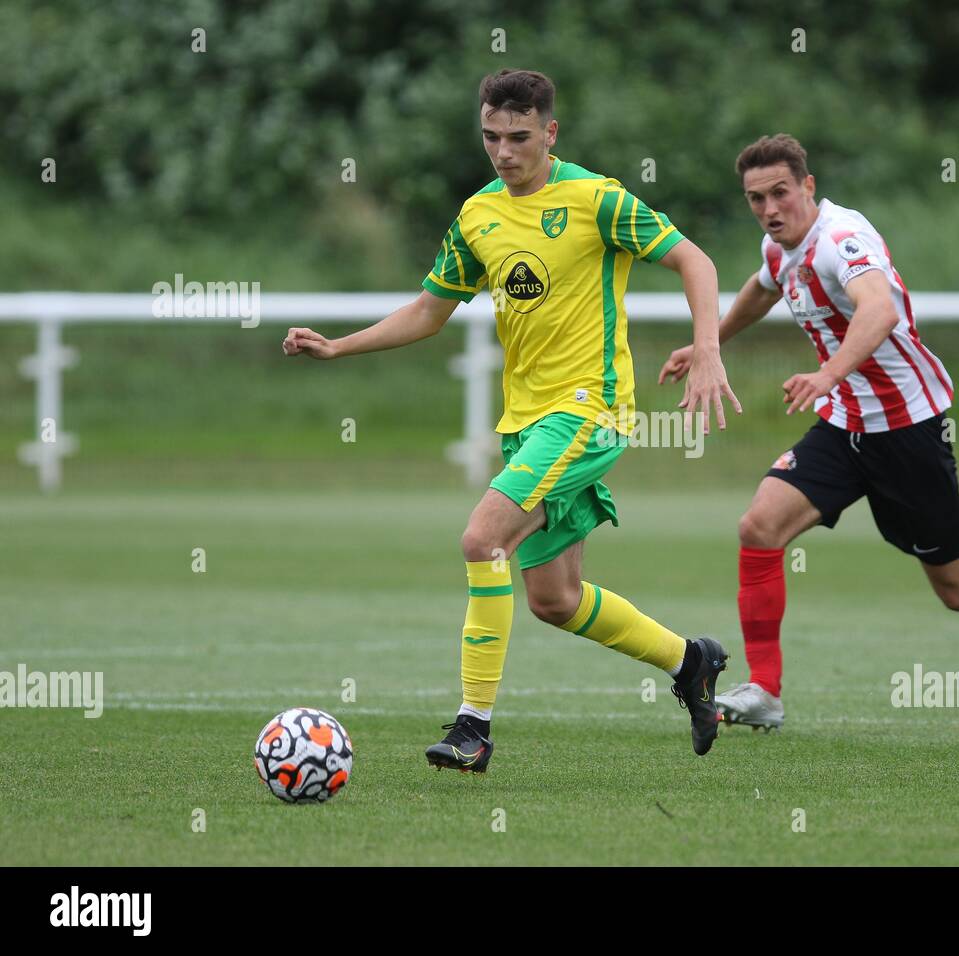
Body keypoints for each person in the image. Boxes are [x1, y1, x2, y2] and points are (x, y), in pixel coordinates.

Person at [284, 69, 741, 769]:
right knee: (554, 599)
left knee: (481, 537)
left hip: (589, 408)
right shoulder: (478, 215)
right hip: (526, 420)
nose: (503, 151)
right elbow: (430, 310)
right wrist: (339, 346)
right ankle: (690, 662)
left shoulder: (596, 199)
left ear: (549, 132)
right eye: (491, 136)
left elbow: (695, 261)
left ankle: (473, 729)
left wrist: (708, 346)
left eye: (519, 137)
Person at [659, 134, 959, 731]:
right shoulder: (777, 247)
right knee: (759, 526)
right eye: (755, 198)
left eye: (780, 193)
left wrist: (828, 372)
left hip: (908, 430)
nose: (769, 209)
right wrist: (707, 342)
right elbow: (761, 290)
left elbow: (879, 310)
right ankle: (765, 688)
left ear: (808, 187)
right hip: (845, 425)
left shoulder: (843, 240)